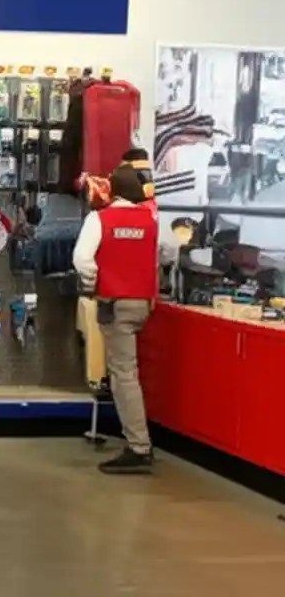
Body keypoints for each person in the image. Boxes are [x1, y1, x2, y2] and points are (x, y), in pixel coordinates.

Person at [73, 161, 178, 474]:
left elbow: (82, 259)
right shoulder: (151, 220)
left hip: (114, 304)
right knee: (131, 370)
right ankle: (139, 441)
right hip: (143, 304)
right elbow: (166, 254)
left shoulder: (100, 219)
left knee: (123, 375)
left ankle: (138, 447)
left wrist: (94, 283)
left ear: (113, 189)